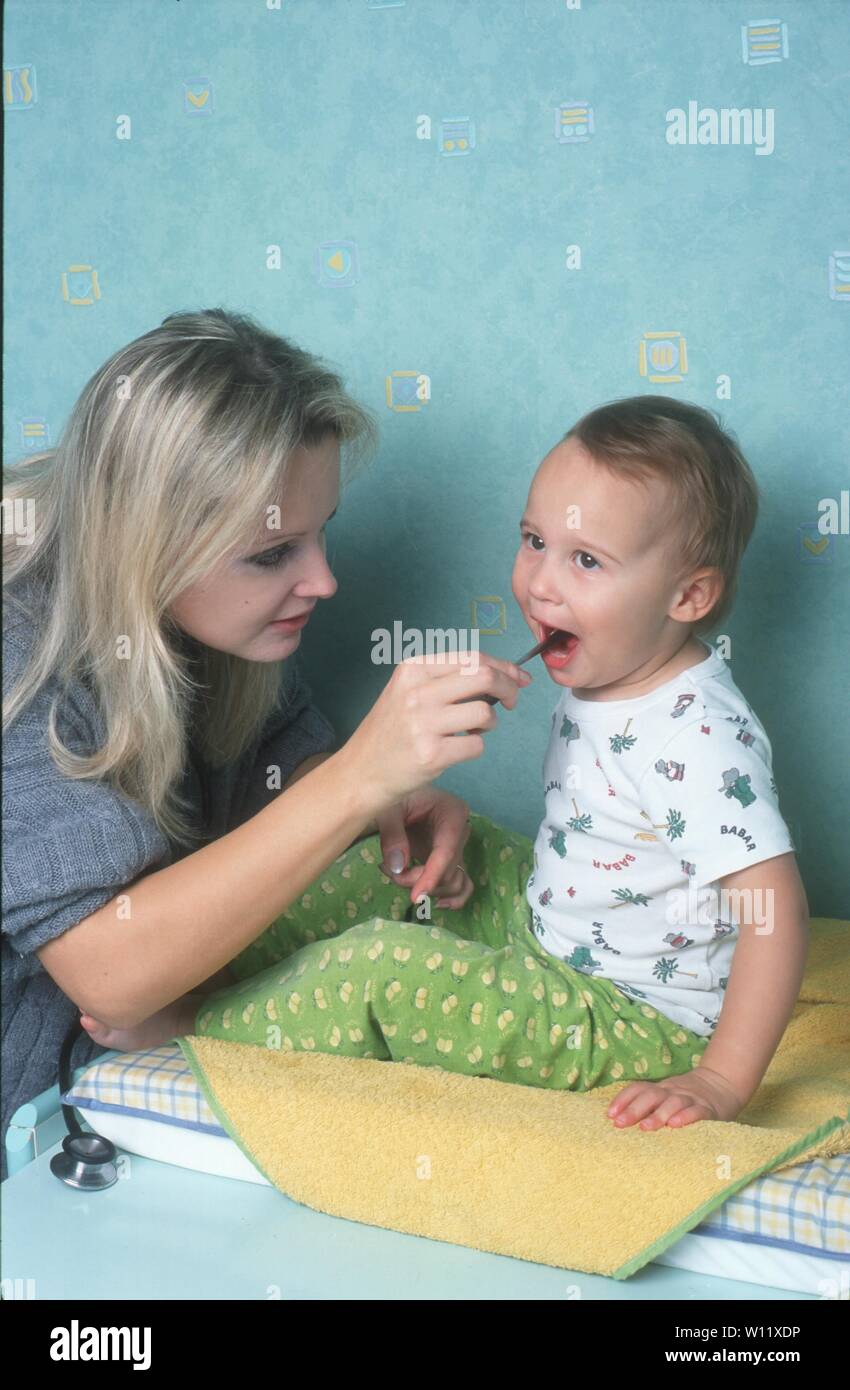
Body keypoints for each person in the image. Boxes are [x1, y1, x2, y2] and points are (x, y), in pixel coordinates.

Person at [128, 396, 811, 1136]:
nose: (541, 583)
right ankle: (214, 966)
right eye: (534, 540)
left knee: (382, 970)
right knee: (390, 856)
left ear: (689, 595)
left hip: (628, 1010)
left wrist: (719, 1078)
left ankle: (203, 1018)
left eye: (586, 560)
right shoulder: (616, 671)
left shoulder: (696, 738)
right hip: (554, 924)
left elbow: (774, 910)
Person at [1, 307, 531, 1179]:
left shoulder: (206, 621)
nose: (322, 580)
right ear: (146, 541)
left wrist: (380, 802)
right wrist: (359, 779)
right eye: (273, 552)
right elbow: (109, 970)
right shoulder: (19, 648)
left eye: (322, 534)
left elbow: (274, 763)